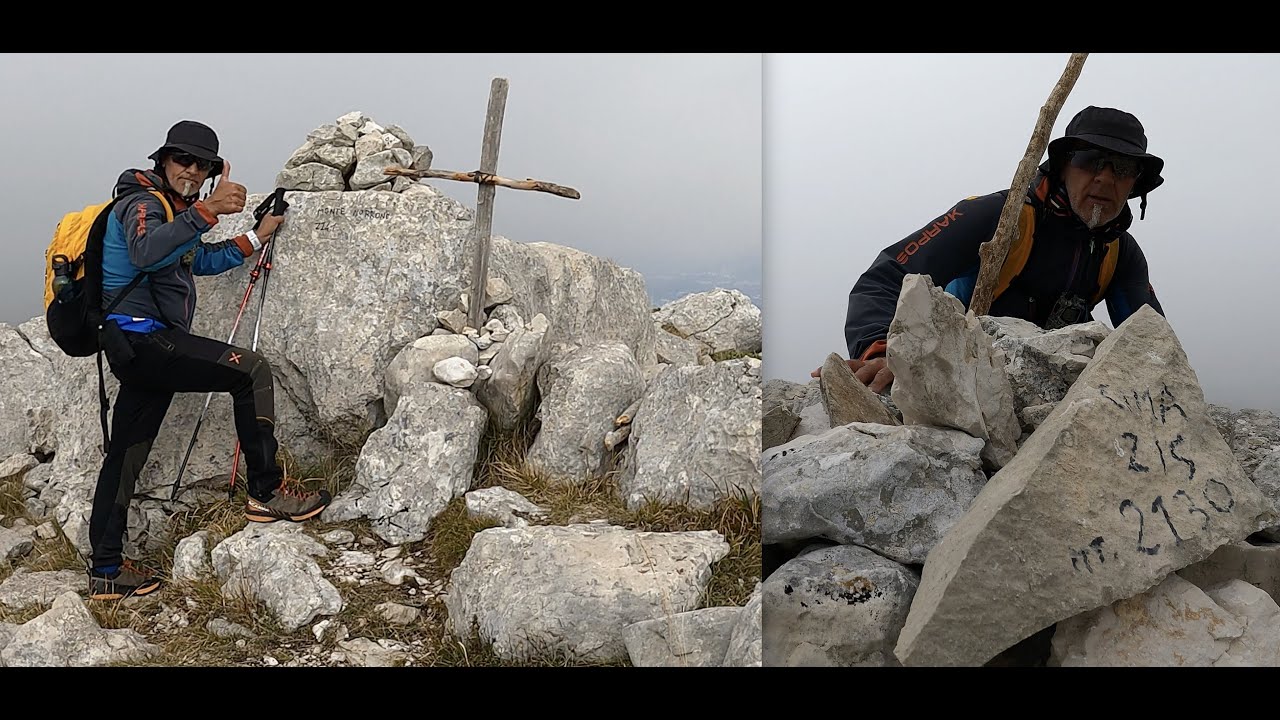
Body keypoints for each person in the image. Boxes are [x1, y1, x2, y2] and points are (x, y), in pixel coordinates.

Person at [88, 120, 331, 600]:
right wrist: (208, 209)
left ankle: (106, 570)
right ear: (163, 161)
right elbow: (144, 253)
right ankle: (266, 493)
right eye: (184, 160)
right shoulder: (143, 204)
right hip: (145, 341)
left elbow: (198, 260)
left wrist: (257, 236)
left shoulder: (174, 211)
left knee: (126, 455)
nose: (193, 171)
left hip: (138, 349)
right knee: (251, 370)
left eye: (203, 165)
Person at [823, 105, 1167, 395]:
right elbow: (887, 277)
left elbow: (1152, 345)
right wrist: (881, 350)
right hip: (954, 386)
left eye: (1123, 168)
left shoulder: (1121, 255)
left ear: (1135, 182)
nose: (1105, 178)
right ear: (1063, 165)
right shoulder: (997, 216)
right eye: (1091, 160)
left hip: (1048, 401)